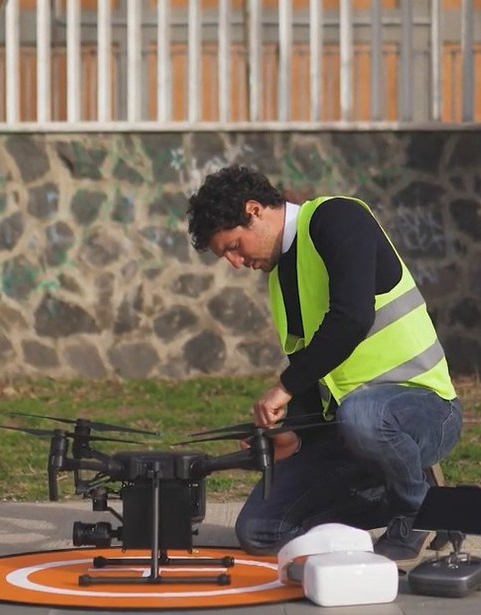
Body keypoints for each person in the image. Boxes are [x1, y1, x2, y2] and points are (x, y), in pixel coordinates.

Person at [185, 164, 462, 570]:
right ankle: (410, 495)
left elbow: (351, 320)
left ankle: (416, 509)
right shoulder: (282, 277)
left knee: (363, 414)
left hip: (425, 410)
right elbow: (318, 372)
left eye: (233, 246)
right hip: (351, 430)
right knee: (260, 531)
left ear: (255, 210)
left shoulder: (339, 217)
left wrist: (283, 388)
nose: (234, 262)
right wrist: (292, 432)